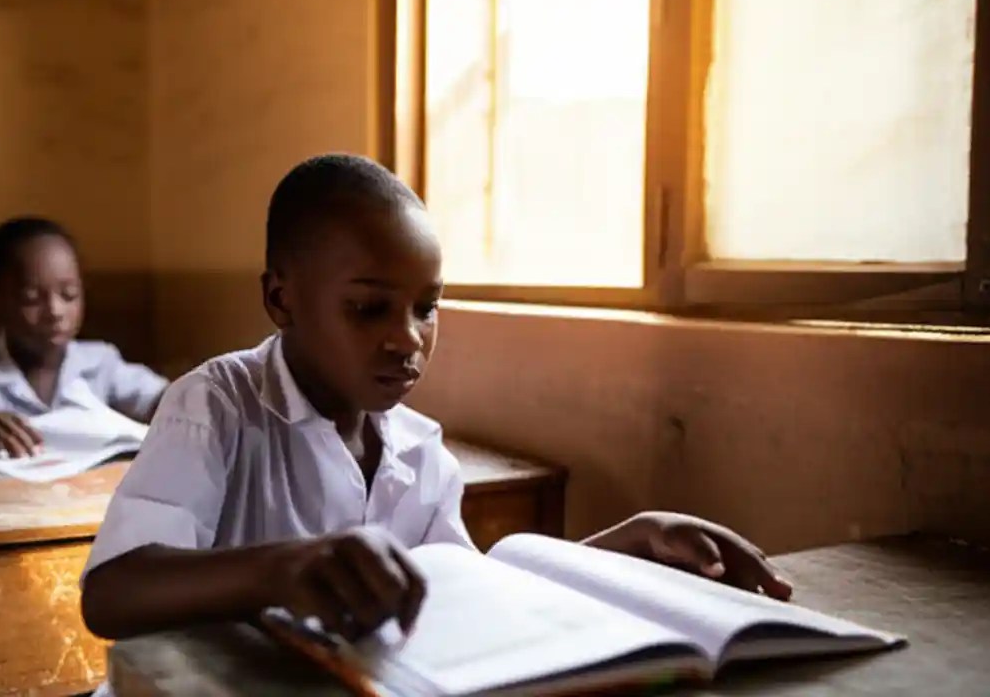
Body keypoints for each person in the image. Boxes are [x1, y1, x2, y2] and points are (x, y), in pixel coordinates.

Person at [80, 155, 792, 651]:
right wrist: (279, 568)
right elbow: (110, 594)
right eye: (368, 309)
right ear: (280, 300)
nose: (407, 340)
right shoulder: (216, 406)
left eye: (427, 308)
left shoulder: (417, 449)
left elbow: (461, 594)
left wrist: (620, 551)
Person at [0, 216, 168, 458]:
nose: (54, 312)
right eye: (31, 299)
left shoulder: (101, 362)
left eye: (69, 295)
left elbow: (167, 400)